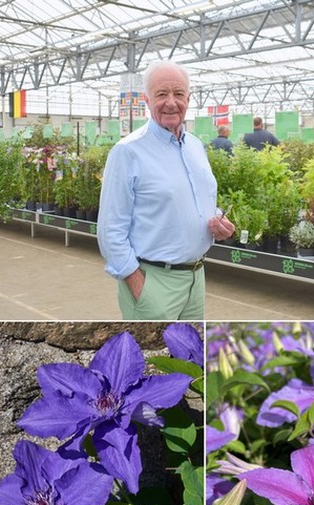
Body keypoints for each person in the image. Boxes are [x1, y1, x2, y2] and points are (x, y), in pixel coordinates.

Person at [97, 59, 236, 320]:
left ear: (188, 99)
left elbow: (197, 201)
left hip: (196, 278)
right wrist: (138, 285)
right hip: (154, 282)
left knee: (191, 358)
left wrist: (219, 221)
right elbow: (109, 229)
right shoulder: (128, 152)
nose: (171, 102)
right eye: (162, 94)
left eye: (178, 94)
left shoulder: (196, 146)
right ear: (147, 100)